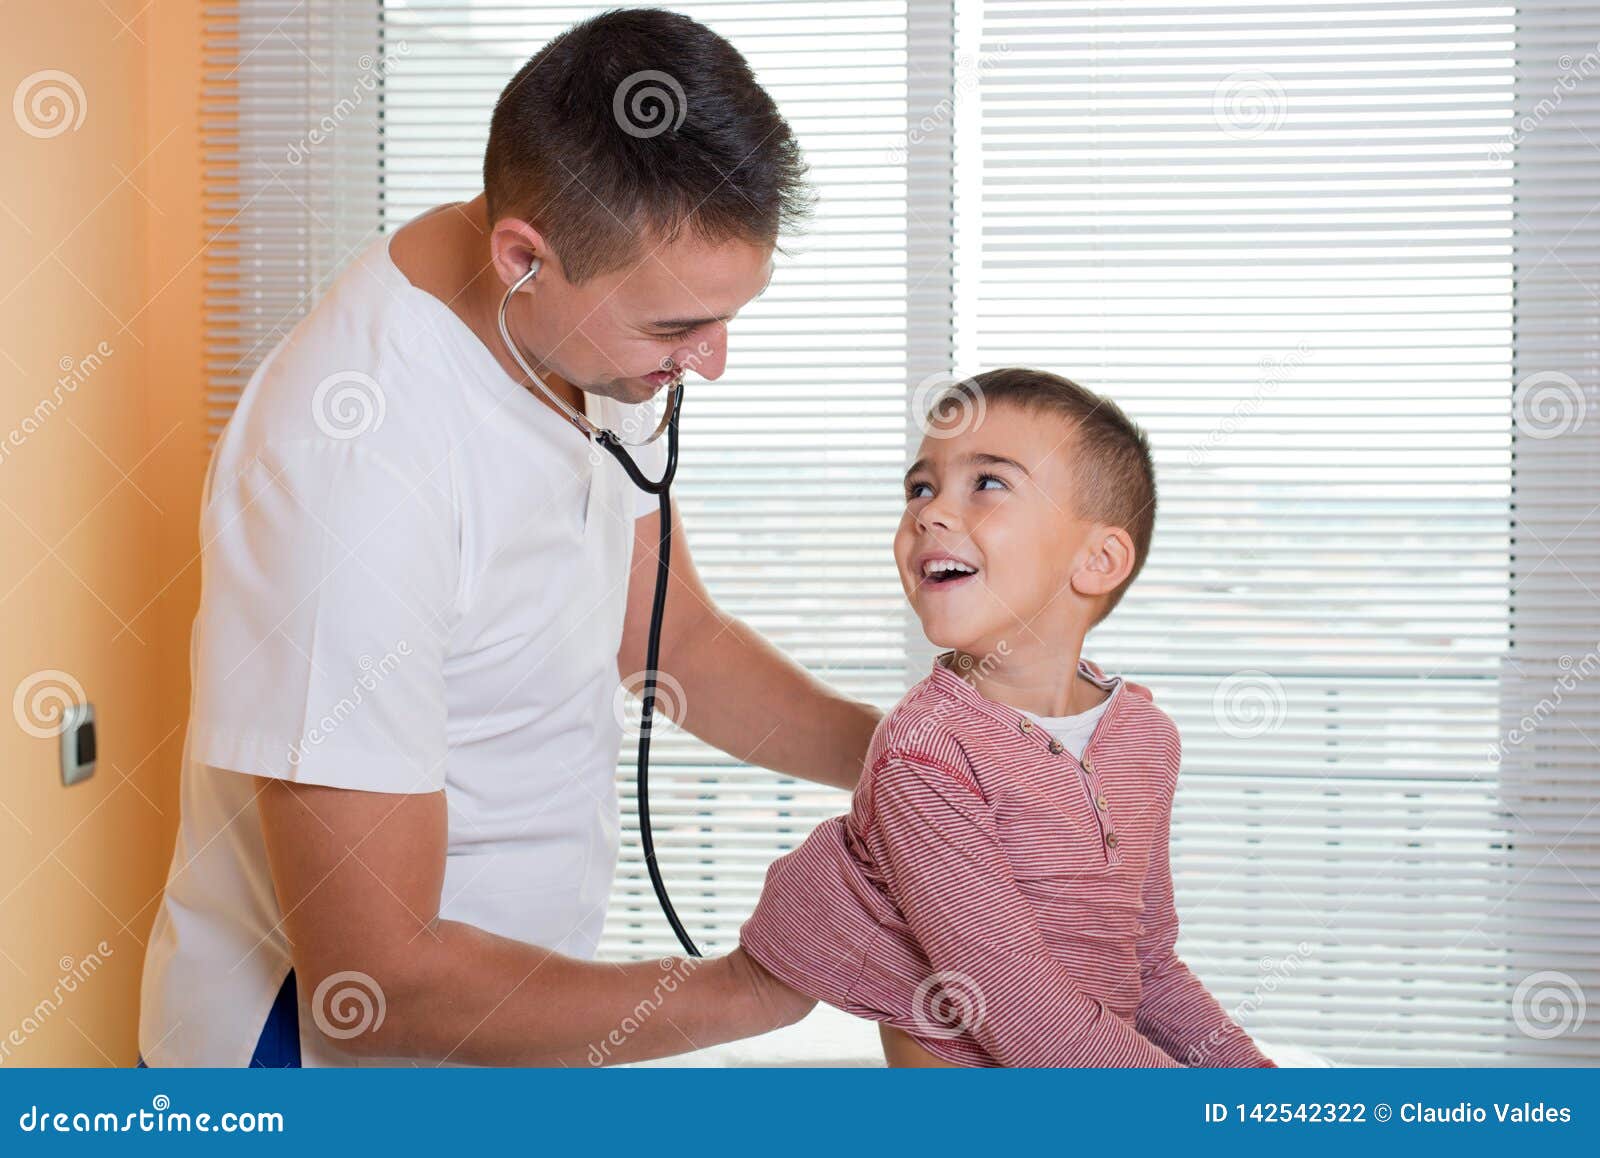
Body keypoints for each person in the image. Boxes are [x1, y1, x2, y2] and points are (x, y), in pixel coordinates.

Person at [138, 8, 880, 1067]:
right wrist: (758, 992)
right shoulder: (352, 476)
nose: (710, 363)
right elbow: (378, 982)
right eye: (677, 328)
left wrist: (906, 764)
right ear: (523, 257)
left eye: (726, 319)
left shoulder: (572, 317)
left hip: (507, 1030)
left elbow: (671, 641)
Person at [738, 367, 1276, 1067]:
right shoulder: (924, 755)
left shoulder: (1146, 739)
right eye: (920, 487)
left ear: (1099, 559)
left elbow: (1147, 968)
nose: (927, 512)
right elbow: (1018, 1007)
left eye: (987, 482)